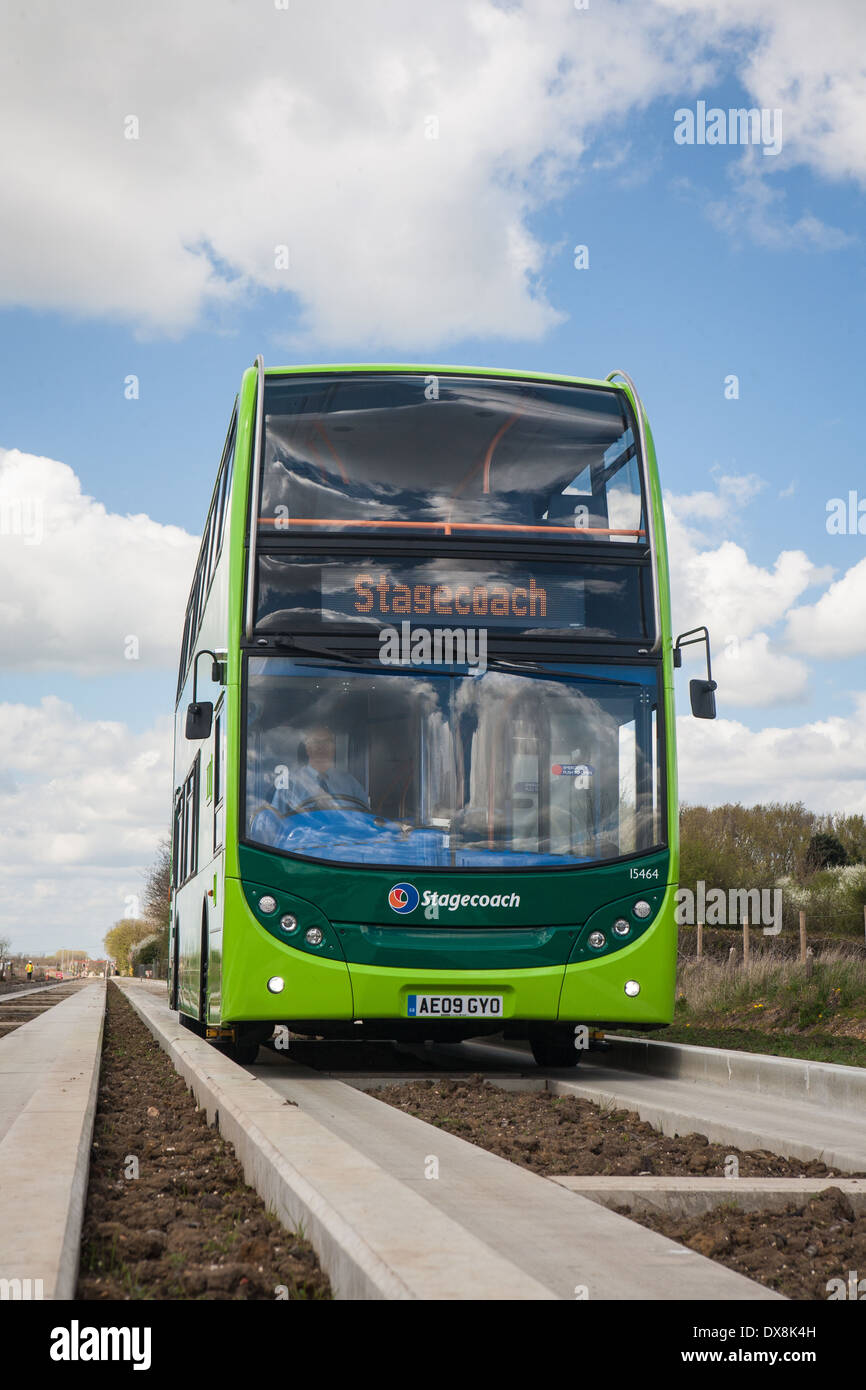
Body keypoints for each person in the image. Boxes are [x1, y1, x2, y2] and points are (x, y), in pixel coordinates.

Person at [271, 725, 368, 816]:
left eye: (326, 742)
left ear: (333, 748)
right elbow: (276, 822)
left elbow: (365, 818)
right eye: (316, 742)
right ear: (307, 748)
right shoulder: (289, 783)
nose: (321, 747)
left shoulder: (349, 783)